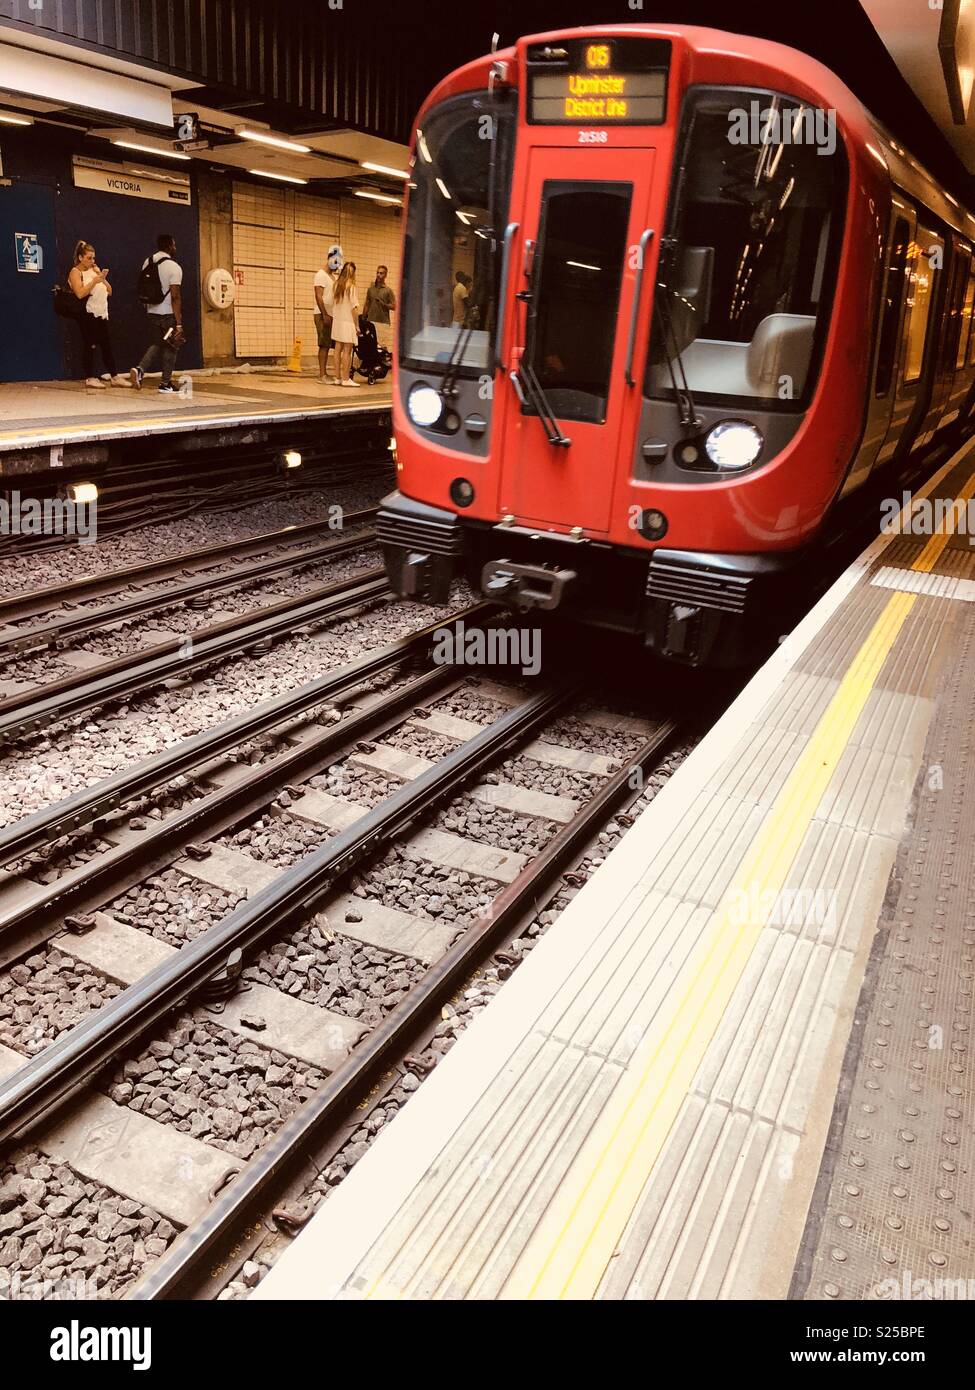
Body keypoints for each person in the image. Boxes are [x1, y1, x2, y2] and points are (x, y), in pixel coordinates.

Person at [68, 241, 130, 389]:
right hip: (88, 313)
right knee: (90, 345)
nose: (92, 261)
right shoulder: (75, 272)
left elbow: (109, 291)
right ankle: (90, 377)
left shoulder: (94, 270)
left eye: (94, 258)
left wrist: (101, 277)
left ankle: (114, 376)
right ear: (80, 257)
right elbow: (80, 293)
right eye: (89, 258)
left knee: (106, 345)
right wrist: (94, 281)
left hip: (101, 312)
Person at [130, 233, 184, 394]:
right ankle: (143, 370)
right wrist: (179, 323)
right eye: (174, 245)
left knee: (160, 342)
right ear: (169, 246)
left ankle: (163, 382)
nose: (175, 248)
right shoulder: (174, 267)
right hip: (168, 314)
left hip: (152, 311)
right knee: (172, 344)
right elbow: (175, 296)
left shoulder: (148, 262)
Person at [330, 262, 361, 388]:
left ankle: (337, 377)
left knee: (337, 350)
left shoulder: (336, 285)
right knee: (347, 351)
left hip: (337, 321)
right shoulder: (351, 287)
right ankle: (346, 378)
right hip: (348, 322)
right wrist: (357, 325)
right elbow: (354, 309)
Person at [313, 255, 338, 384]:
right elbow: (318, 296)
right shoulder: (320, 275)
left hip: (332, 314)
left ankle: (325, 373)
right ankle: (322, 375)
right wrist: (324, 314)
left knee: (328, 344)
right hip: (322, 314)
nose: (337, 266)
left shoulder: (334, 277)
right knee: (323, 344)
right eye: (335, 262)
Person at [363, 265, 396, 351]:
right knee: (369, 346)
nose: (378, 275)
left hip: (383, 323)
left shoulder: (388, 290)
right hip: (371, 321)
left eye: (381, 273)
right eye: (377, 273)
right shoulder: (371, 289)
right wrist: (363, 318)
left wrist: (384, 304)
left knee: (382, 347)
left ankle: (380, 364)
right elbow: (367, 304)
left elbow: (394, 306)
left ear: (385, 275)